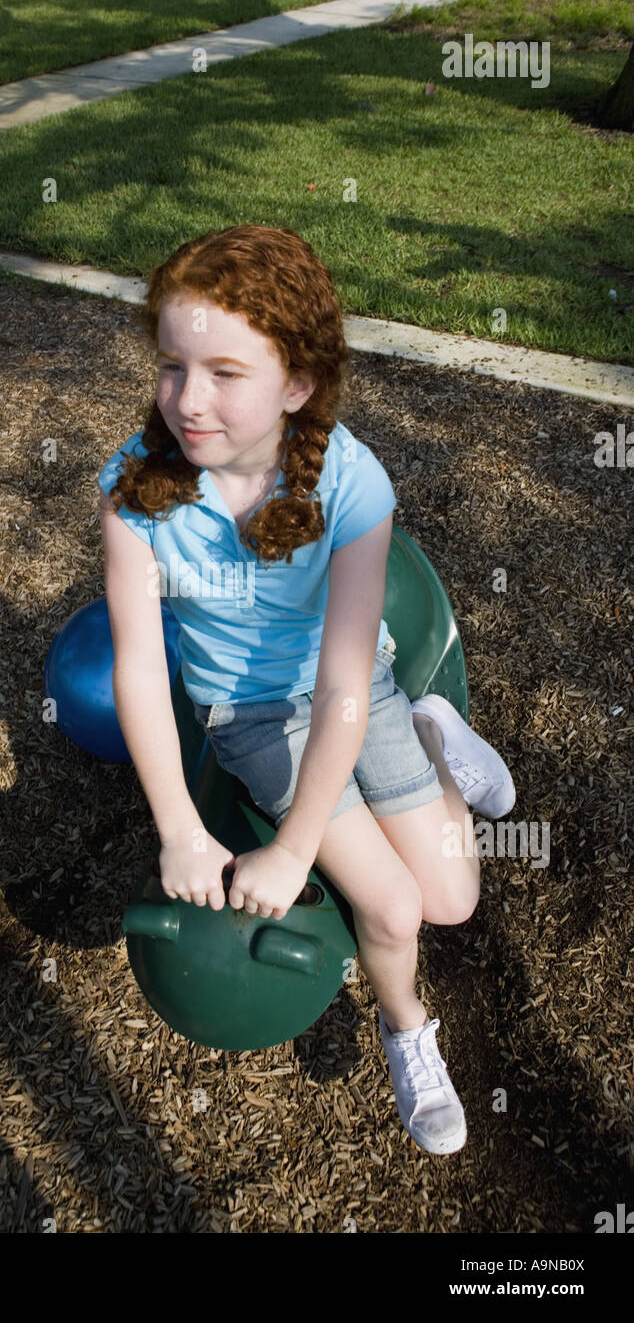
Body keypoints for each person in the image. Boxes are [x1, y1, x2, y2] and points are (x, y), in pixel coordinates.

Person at [97, 224, 515, 1157]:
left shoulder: (352, 484)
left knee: (452, 900)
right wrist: (177, 828)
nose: (187, 401)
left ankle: (437, 731)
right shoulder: (135, 493)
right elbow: (135, 666)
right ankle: (407, 1026)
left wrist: (291, 851)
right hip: (251, 716)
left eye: (225, 373)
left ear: (297, 384)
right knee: (398, 909)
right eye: (172, 365)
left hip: (351, 686)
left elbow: (340, 683)